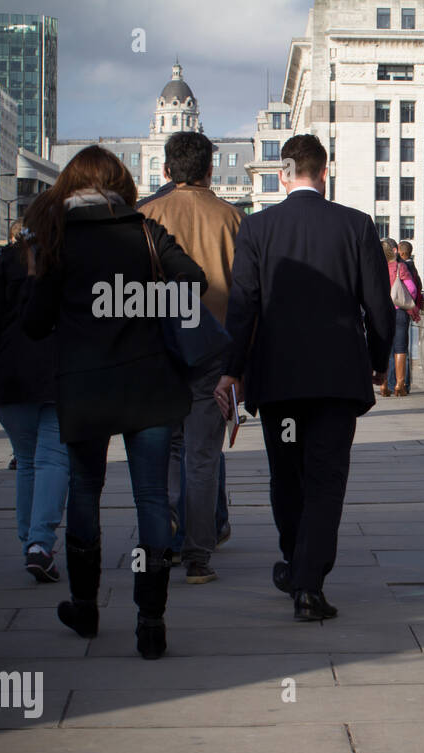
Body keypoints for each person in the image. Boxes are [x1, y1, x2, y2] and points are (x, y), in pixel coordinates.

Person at [21, 145, 205, 660]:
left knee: (85, 492)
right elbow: (193, 281)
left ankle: (85, 606)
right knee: (150, 497)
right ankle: (151, 619)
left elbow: (35, 324)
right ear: (120, 182)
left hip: (85, 387)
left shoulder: (59, 241)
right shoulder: (146, 231)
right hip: (149, 383)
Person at [215, 134, 395, 622]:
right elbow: (379, 306)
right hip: (337, 379)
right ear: (325, 171)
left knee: (287, 475)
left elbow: (243, 305)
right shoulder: (356, 226)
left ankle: (298, 561)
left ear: (282, 174)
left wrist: (232, 370)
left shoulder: (256, 228)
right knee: (327, 478)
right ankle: (308, 582)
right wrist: (379, 361)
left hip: (277, 378)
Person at [142, 132, 244, 585]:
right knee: (203, 457)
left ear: (166, 171)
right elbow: (248, 297)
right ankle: (199, 556)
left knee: (161, 453)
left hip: (158, 350)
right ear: (208, 171)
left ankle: (161, 539)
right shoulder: (234, 219)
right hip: (215, 352)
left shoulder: (144, 216)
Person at [0, 213, 69, 582]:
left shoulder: (7, 263)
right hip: (59, 374)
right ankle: (39, 544)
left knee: (26, 462)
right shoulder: (67, 261)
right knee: (54, 460)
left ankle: (30, 542)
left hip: (9, 374)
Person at [381, 238, 419, 396]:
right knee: (400, 347)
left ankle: (383, 385)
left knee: (384, 348)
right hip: (399, 311)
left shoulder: (376, 267)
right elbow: (412, 290)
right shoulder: (400, 266)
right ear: (394, 251)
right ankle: (399, 384)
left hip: (381, 312)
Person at [398, 240, 424, 390]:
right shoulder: (412, 267)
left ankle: (397, 382)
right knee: (403, 347)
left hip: (399, 308)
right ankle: (404, 383)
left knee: (397, 347)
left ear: (401, 252)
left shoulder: (402, 266)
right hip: (408, 309)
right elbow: (416, 288)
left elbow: (411, 289)